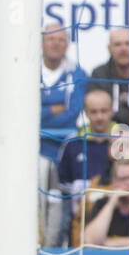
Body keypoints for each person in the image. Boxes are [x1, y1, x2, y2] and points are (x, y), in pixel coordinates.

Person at [40, 25, 87, 158]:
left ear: (67, 45)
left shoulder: (78, 75)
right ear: (42, 43)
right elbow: (25, 113)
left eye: (61, 40)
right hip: (31, 144)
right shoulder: (29, 72)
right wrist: (51, 110)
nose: (56, 43)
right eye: (51, 39)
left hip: (66, 146)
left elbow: (72, 114)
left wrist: (41, 113)